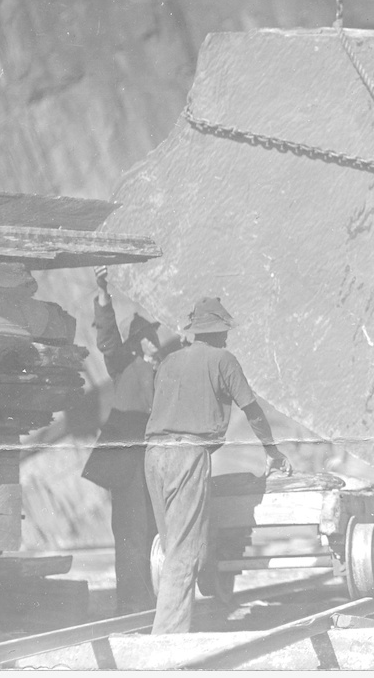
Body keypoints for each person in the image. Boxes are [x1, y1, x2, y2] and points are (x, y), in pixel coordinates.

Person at [145, 296, 292, 634]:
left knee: (171, 546)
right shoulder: (223, 359)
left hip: (153, 455)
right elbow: (252, 410)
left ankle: (168, 627)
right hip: (187, 455)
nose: (227, 337)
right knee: (184, 552)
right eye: (224, 330)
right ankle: (166, 641)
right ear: (217, 331)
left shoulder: (168, 361)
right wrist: (272, 451)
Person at [81, 265, 160, 614]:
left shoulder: (166, 370)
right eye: (149, 336)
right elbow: (108, 339)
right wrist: (102, 295)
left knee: (155, 533)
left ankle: (153, 602)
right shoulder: (123, 364)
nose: (155, 341)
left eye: (154, 336)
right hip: (128, 464)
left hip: (155, 465)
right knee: (130, 534)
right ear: (137, 340)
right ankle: (132, 607)